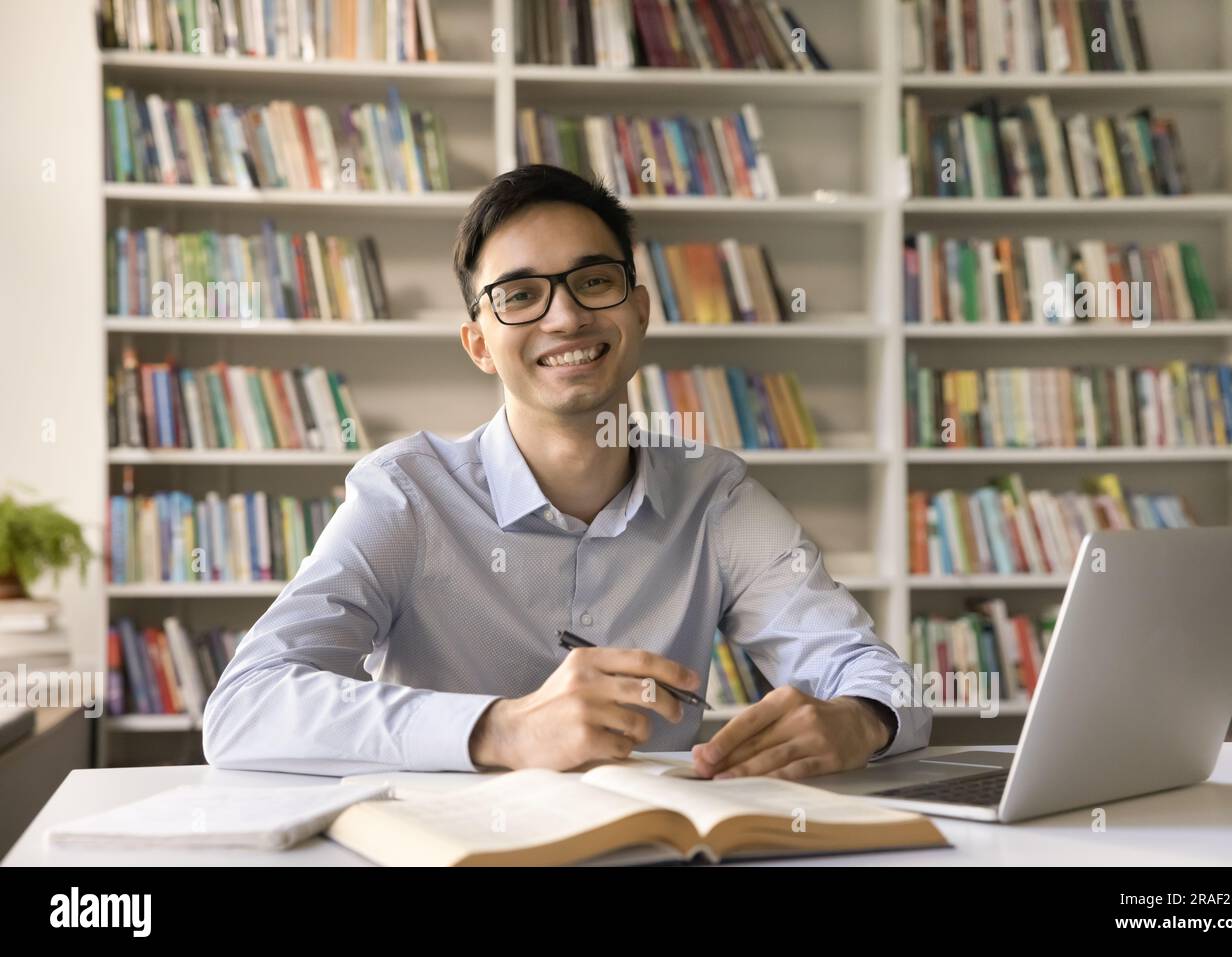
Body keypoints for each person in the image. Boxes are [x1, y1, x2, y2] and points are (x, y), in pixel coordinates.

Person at [202, 164, 931, 779]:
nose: (564, 317)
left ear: (638, 310)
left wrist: (860, 720)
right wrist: (501, 728)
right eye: (520, 294)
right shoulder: (405, 495)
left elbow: (884, 676)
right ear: (479, 343)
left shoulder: (716, 495)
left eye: (593, 280)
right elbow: (246, 707)